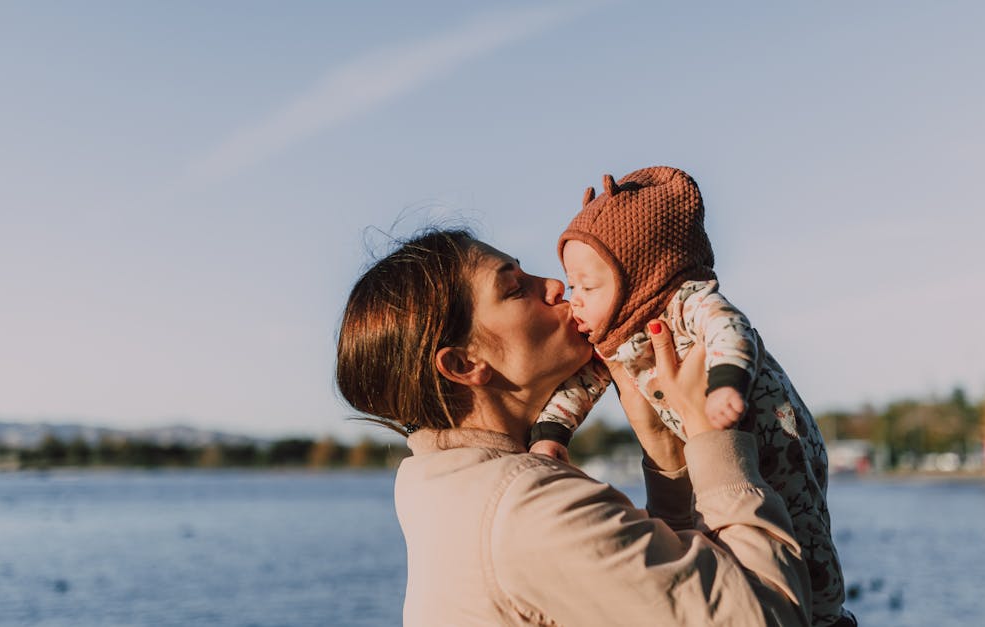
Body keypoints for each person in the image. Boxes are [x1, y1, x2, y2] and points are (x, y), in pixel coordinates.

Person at [335, 227, 814, 625]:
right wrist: (712, 435)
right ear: (463, 363)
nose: (556, 287)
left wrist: (666, 460)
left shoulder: (439, 488)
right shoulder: (527, 508)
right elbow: (770, 616)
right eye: (515, 287)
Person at [527, 167, 854, 627]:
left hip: (779, 437)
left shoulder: (683, 302)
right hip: (719, 454)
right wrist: (551, 433)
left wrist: (725, 384)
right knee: (726, 528)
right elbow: (579, 389)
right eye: (573, 284)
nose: (573, 298)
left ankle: (826, 614)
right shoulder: (616, 335)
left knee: (803, 523)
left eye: (588, 286)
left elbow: (731, 330)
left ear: (640, 275)